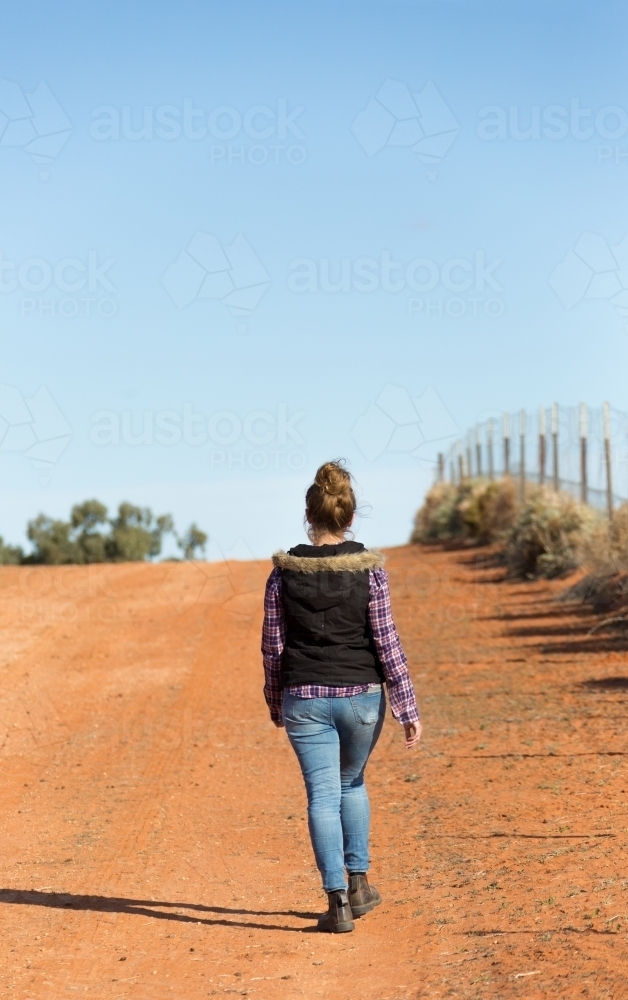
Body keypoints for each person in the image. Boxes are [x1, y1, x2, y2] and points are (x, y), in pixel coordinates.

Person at [261, 460, 421, 933]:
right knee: (351, 784)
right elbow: (386, 638)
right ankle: (359, 882)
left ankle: (337, 905)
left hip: (304, 699)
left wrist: (276, 700)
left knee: (322, 795)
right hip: (362, 699)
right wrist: (407, 706)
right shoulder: (370, 571)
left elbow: (273, 646)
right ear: (349, 517)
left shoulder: (282, 574)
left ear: (308, 516)